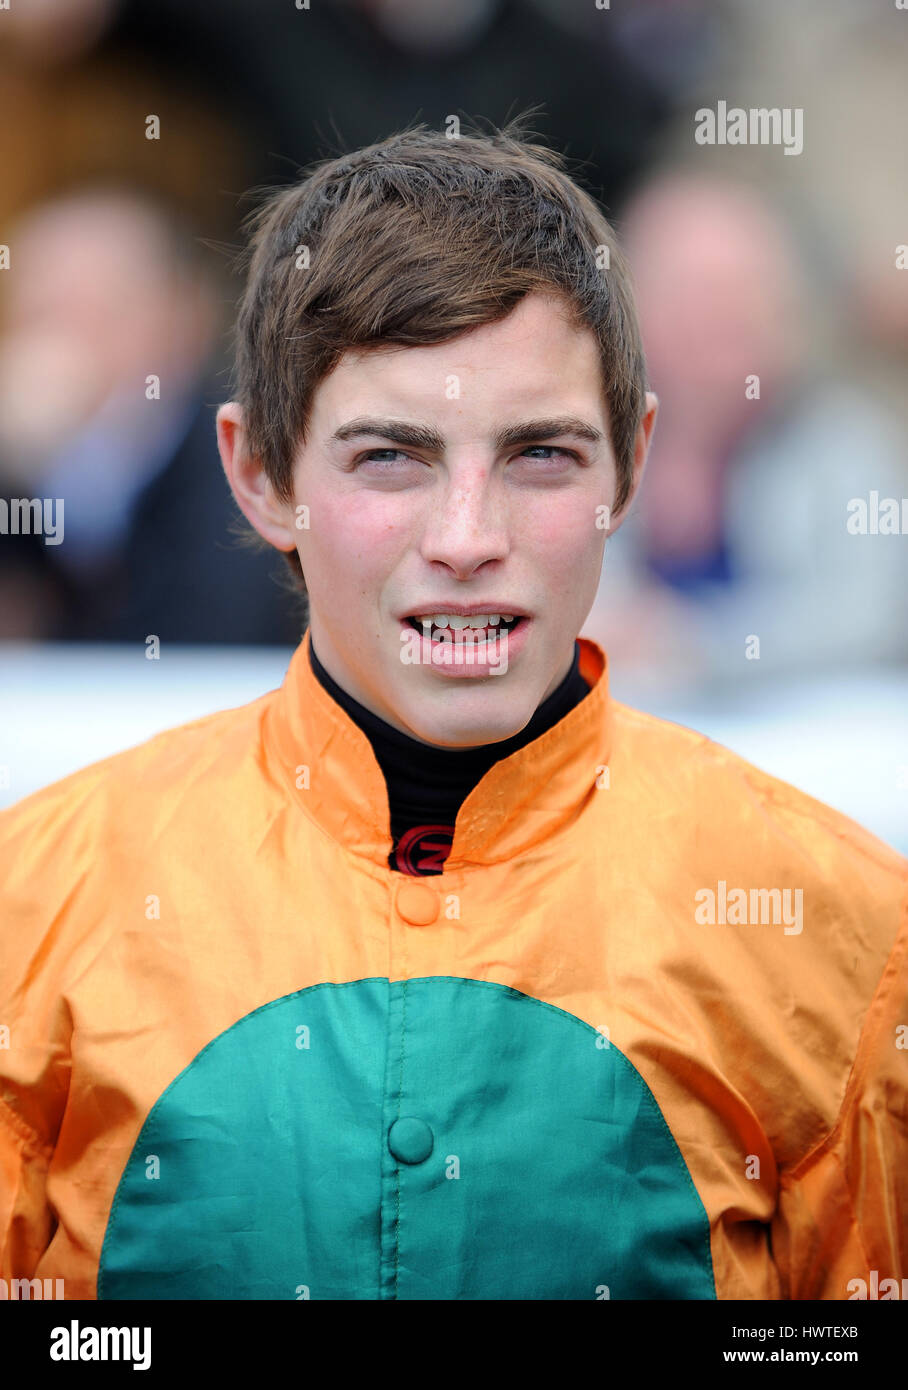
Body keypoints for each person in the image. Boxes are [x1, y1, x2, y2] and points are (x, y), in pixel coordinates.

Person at [0, 121, 905, 1301]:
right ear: (260, 476)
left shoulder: (843, 924)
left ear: (629, 464)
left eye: (538, 455)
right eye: (389, 457)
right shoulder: (36, 903)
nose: (467, 539)